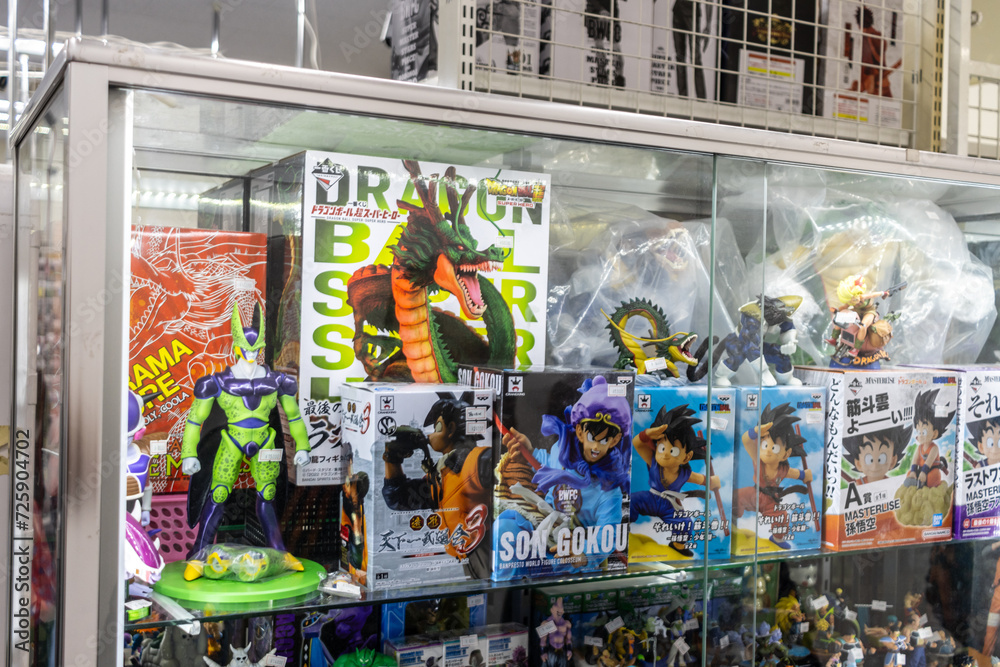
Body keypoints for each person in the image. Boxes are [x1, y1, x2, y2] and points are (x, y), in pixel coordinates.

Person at [181, 303, 310, 557]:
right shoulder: (217, 382)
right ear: (236, 347)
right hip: (233, 440)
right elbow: (196, 420)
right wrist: (189, 454)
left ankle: (280, 554)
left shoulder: (277, 381)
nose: (251, 354)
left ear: (261, 348)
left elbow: (293, 415)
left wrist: (303, 446)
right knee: (219, 494)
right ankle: (199, 552)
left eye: (256, 349)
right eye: (246, 349)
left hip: (264, 441)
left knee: (268, 494)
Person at [382, 394, 492, 577]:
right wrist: (392, 459)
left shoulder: (479, 460)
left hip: (487, 550)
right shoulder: (442, 475)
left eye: (436, 427)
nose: (430, 435)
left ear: (451, 429)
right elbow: (398, 498)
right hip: (466, 556)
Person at [630, 404, 720, 557]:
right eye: (661, 448)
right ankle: (623, 530)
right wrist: (648, 434)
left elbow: (701, 479)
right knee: (630, 502)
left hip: (669, 505)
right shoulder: (653, 462)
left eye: (673, 451)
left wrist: (712, 481)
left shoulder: (684, 473)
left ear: (687, 457)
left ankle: (678, 545)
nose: (665, 454)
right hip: (650, 498)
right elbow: (637, 443)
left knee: (686, 524)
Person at [734, 403, 812, 549]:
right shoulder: (757, 459)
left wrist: (803, 475)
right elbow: (746, 440)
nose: (768, 451)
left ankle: (777, 538)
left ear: (786, 454)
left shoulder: (783, 468)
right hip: (753, 493)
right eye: (764, 445)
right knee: (735, 497)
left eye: (774, 448)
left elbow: (792, 473)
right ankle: (732, 526)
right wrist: (756, 431)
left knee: (782, 516)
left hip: (770, 500)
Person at [906, 389, 954, 489]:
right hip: (920, 470)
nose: (920, 435)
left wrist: (924, 473)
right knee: (909, 474)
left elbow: (929, 461)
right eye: (918, 432)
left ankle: (924, 485)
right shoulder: (919, 448)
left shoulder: (934, 448)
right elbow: (915, 459)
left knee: (932, 477)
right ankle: (916, 484)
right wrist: (913, 471)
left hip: (931, 469)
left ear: (934, 433)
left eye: (923, 432)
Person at [842, 425, 911, 484]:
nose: (875, 466)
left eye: (882, 459)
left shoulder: (890, 483)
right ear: (858, 464)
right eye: (869, 460)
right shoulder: (859, 483)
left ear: (892, 461)